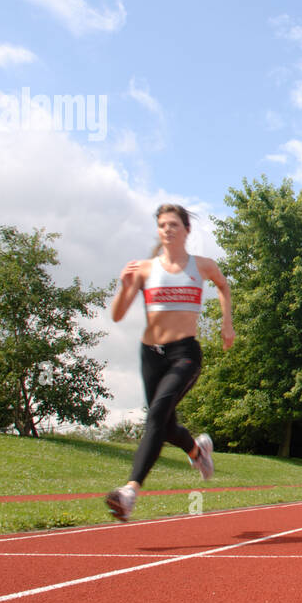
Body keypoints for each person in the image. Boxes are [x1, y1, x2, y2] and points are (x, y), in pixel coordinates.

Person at [105, 204, 234, 521]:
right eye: (162, 225)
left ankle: (130, 491)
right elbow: (118, 315)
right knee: (163, 425)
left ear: (187, 230)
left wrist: (226, 323)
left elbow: (223, 285)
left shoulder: (202, 266)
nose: (168, 229)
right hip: (151, 354)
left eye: (174, 224)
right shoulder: (145, 269)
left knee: (157, 415)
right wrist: (124, 287)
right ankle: (196, 451)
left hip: (185, 353)